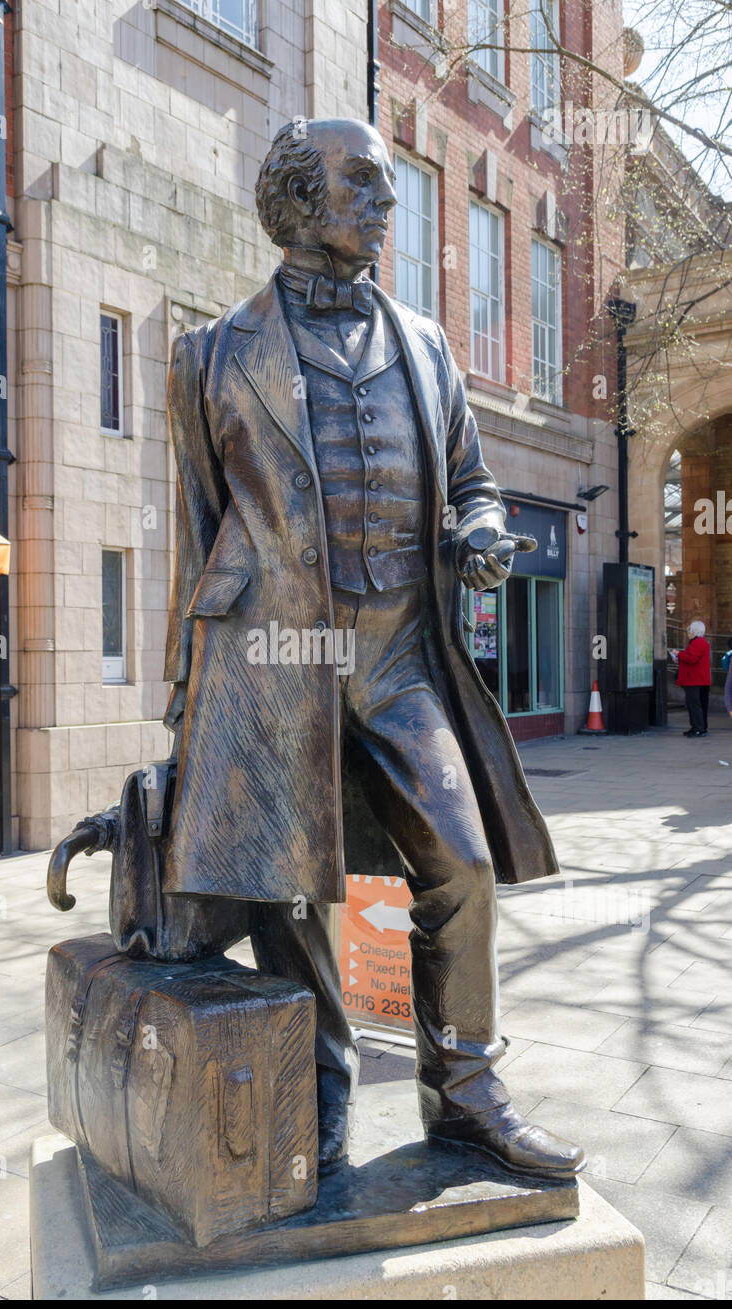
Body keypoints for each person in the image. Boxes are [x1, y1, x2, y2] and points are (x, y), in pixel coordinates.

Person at [164, 118, 583, 1182]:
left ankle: (467, 1097)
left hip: (400, 658)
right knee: (293, 893)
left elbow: (475, 482)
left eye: (391, 186)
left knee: (464, 863)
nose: (387, 205)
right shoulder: (210, 357)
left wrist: (482, 529)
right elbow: (200, 528)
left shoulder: (427, 346)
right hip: (273, 665)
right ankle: (321, 1102)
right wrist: (187, 704)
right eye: (364, 183)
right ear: (300, 200)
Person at [671, 620, 711, 736]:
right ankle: (700, 727)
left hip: (694, 679)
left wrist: (678, 654)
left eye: (689, 631)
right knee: (700, 704)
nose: (688, 633)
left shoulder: (697, 643)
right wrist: (680, 657)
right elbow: (692, 657)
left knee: (694, 704)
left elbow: (692, 659)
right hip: (701, 679)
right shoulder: (702, 642)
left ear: (694, 631)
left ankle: (698, 728)